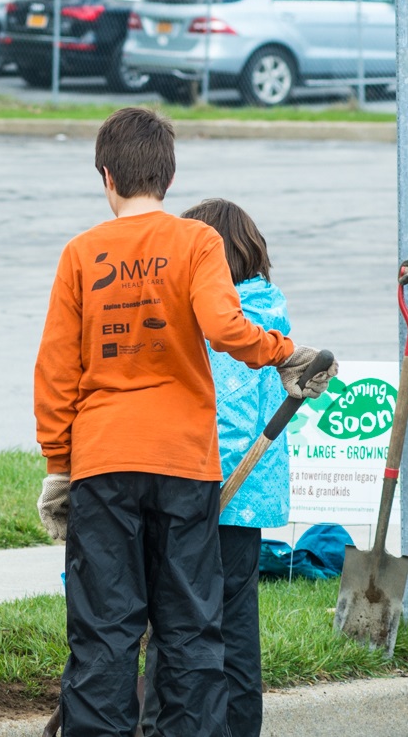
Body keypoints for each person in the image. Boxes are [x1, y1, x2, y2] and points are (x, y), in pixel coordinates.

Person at [32, 107, 333, 737]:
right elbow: (226, 328)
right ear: (168, 179)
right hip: (185, 467)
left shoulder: (81, 253)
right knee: (192, 630)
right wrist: (284, 354)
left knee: (104, 635)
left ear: (105, 176)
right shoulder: (196, 243)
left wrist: (60, 468)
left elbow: (58, 374)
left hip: (105, 462)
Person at [139, 199, 292, 737]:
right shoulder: (270, 312)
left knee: (179, 627)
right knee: (236, 630)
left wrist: (197, 486)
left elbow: (228, 419)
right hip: (250, 503)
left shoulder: (223, 321)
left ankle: (159, 725)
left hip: (213, 493)